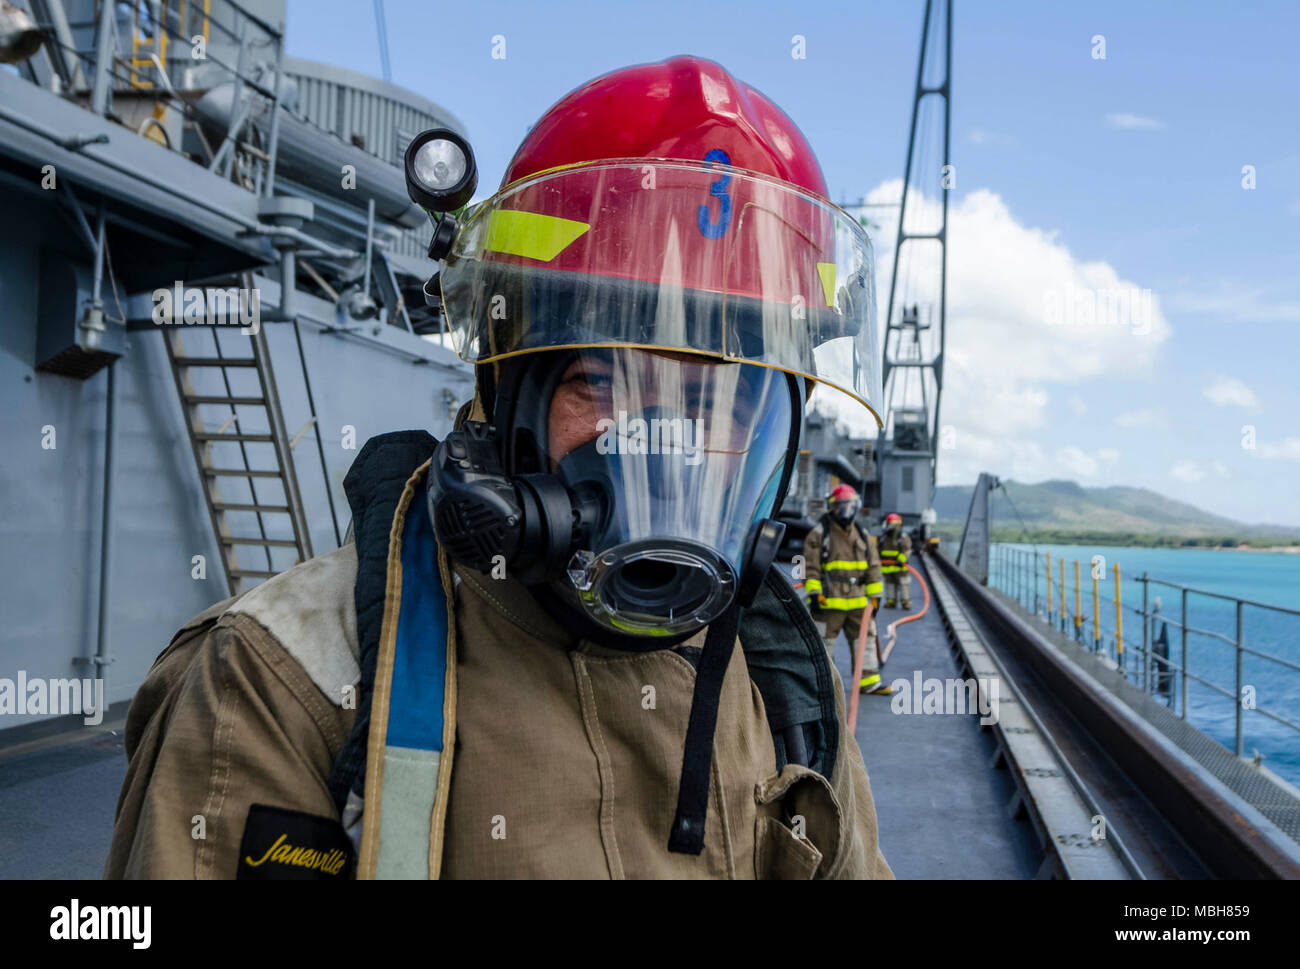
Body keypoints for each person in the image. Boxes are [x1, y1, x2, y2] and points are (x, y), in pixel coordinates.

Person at [104, 56, 892, 880]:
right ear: (503, 391)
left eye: (724, 401)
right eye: (601, 382)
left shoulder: (777, 680)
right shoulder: (285, 682)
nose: (668, 446)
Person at [802, 485, 889, 695]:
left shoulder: (863, 534)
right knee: (824, 643)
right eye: (841, 507)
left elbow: (873, 566)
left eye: (849, 506)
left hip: (859, 601)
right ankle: (825, 686)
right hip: (829, 601)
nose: (845, 512)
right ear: (833, 508)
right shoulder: (820, 534)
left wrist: (875, 597)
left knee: (865, 640)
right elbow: (810, 567)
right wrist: (814, 594)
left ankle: (868, 682)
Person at [879, 512, 913, 609]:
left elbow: (907, 550)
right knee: (890, 584)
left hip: (900, 567)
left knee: (904, 584)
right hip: (887, 568)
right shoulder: (884, 538)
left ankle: (905, 602)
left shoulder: (902, 537)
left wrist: (901, 560)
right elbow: (878, 550)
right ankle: (891, 601)